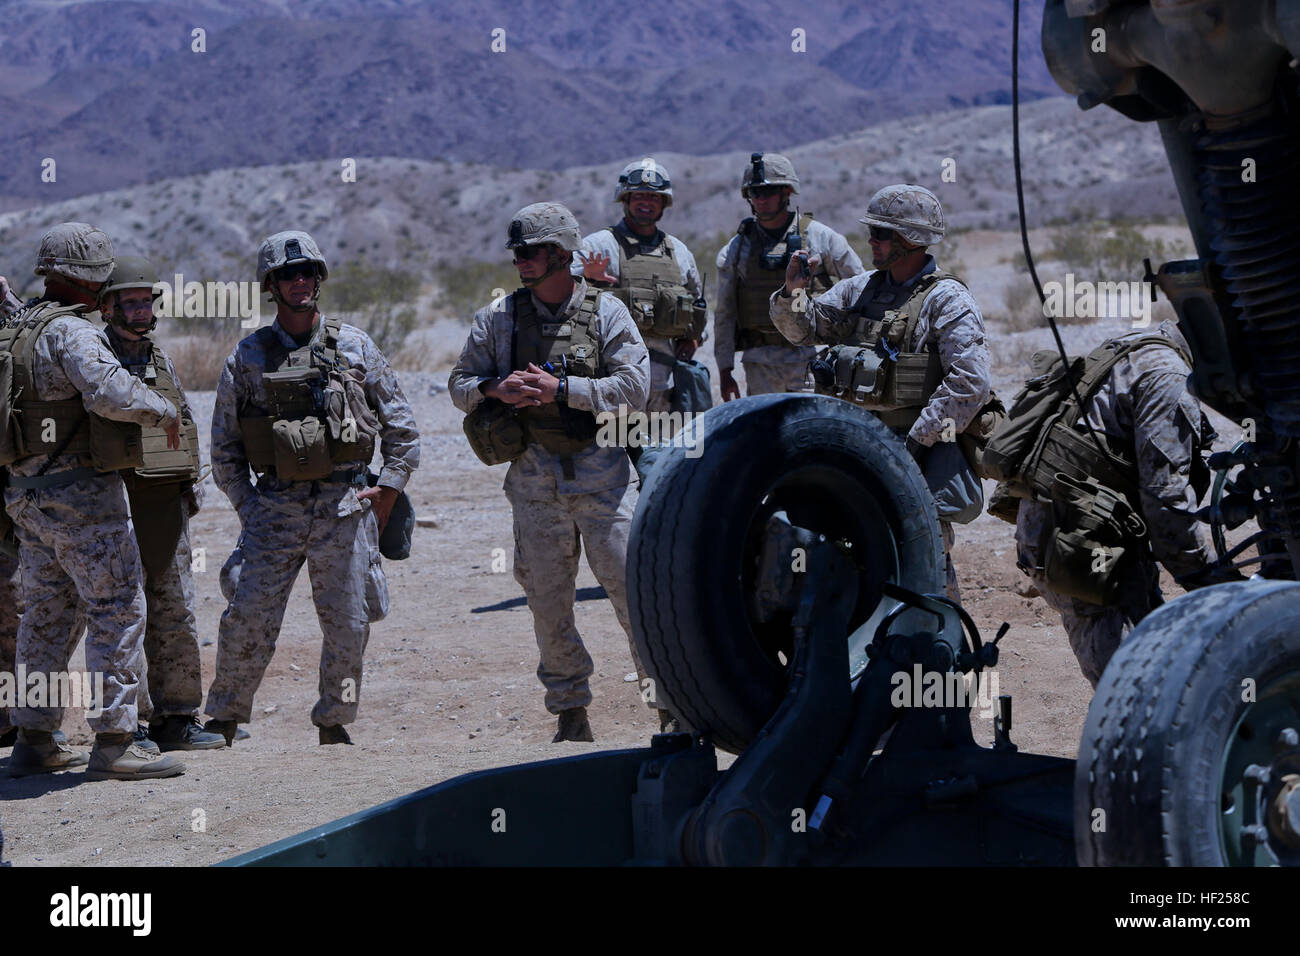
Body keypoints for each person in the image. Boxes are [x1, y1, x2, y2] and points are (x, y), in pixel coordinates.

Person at [449, 202, 670, 741]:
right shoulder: (499, 318)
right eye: (517, 253)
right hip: (533, 481)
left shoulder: (607, 313)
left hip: (605, 477)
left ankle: (670, 708)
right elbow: (458, 384)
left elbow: (633, 391)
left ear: (562, 253)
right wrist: (491, 390)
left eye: (531, 252)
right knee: (548, 602)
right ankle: (570, 712)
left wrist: (563, 390)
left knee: (634, 597)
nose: (521, 262)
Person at [204, 230, 419, 746]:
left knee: (348, 622)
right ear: (271, 286)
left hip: (344, 505)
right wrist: (250, 509)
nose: (298, 282)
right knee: (247, 616)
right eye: (286, 275)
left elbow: (403, 430)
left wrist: (387, 488)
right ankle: (225, 718)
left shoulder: (355, 346)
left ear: (318, 279)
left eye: (306, 273)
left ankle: (335, 723)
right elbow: (224, 450)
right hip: (274, 506)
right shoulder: (248, 356)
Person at [3, 223, 185, 779]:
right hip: (82, 498)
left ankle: (34, 737)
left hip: (26, 497)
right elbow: (108, 391)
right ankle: (114, 742)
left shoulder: (20, 325)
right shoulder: (72, 332)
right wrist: (161, 409)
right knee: (117, 607)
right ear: (89, 276)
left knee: (46, 615)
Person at [771, 184, 992, 602]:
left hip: (918, 452)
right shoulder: (861, 290)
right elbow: (801, 331)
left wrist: (912, 445)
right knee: (846, 549)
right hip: (858, 447)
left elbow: (969, 383)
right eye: (872, 231)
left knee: (924, 558)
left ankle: (942, 653)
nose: (871, 240)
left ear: (911, 240)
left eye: (881, 233)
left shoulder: (946, 300)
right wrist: (793, 292)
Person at [1012, 320, 1222, 687]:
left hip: (1067, 529)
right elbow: (1167, 506)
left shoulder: (1137, 343)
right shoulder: (1167, 378)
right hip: (1079, 549)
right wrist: (1213, 586)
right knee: (1134, 694)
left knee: (1158, 670)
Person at [95, 256, 225, 751]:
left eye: (145, 301)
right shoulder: (92, 357)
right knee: (122, 615)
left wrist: (193, 485)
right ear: (107, 307)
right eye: (128, 302)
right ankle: (131, 724)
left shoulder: (159, 359)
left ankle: (176, 717)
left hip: (165, 501)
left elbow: (185, 421)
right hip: (113, 504)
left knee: (175, 610)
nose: (139, 311)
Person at [714, 151, 863, 399]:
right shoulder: (737, 248)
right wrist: (724, 369)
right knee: (764, 433)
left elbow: (860, 287)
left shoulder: (821, 238)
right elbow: (725, 313)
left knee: (810, 431)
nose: (761, 199)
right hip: (760, 363)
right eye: (755, 193)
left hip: (811, 358)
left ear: (786, 193)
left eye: (769, 192)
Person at [573, 159, 706, 423]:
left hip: (662, 379)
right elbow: (555, 292)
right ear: (625, 198)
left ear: (664, 203)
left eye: (654, 197)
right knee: (609, 456)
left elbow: (697, 303)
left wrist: (694, 338)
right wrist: (585, 278)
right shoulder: (598, 245)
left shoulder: (679, 252)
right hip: (609, 378)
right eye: (640, 196)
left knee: (659, 455)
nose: (647, 202)